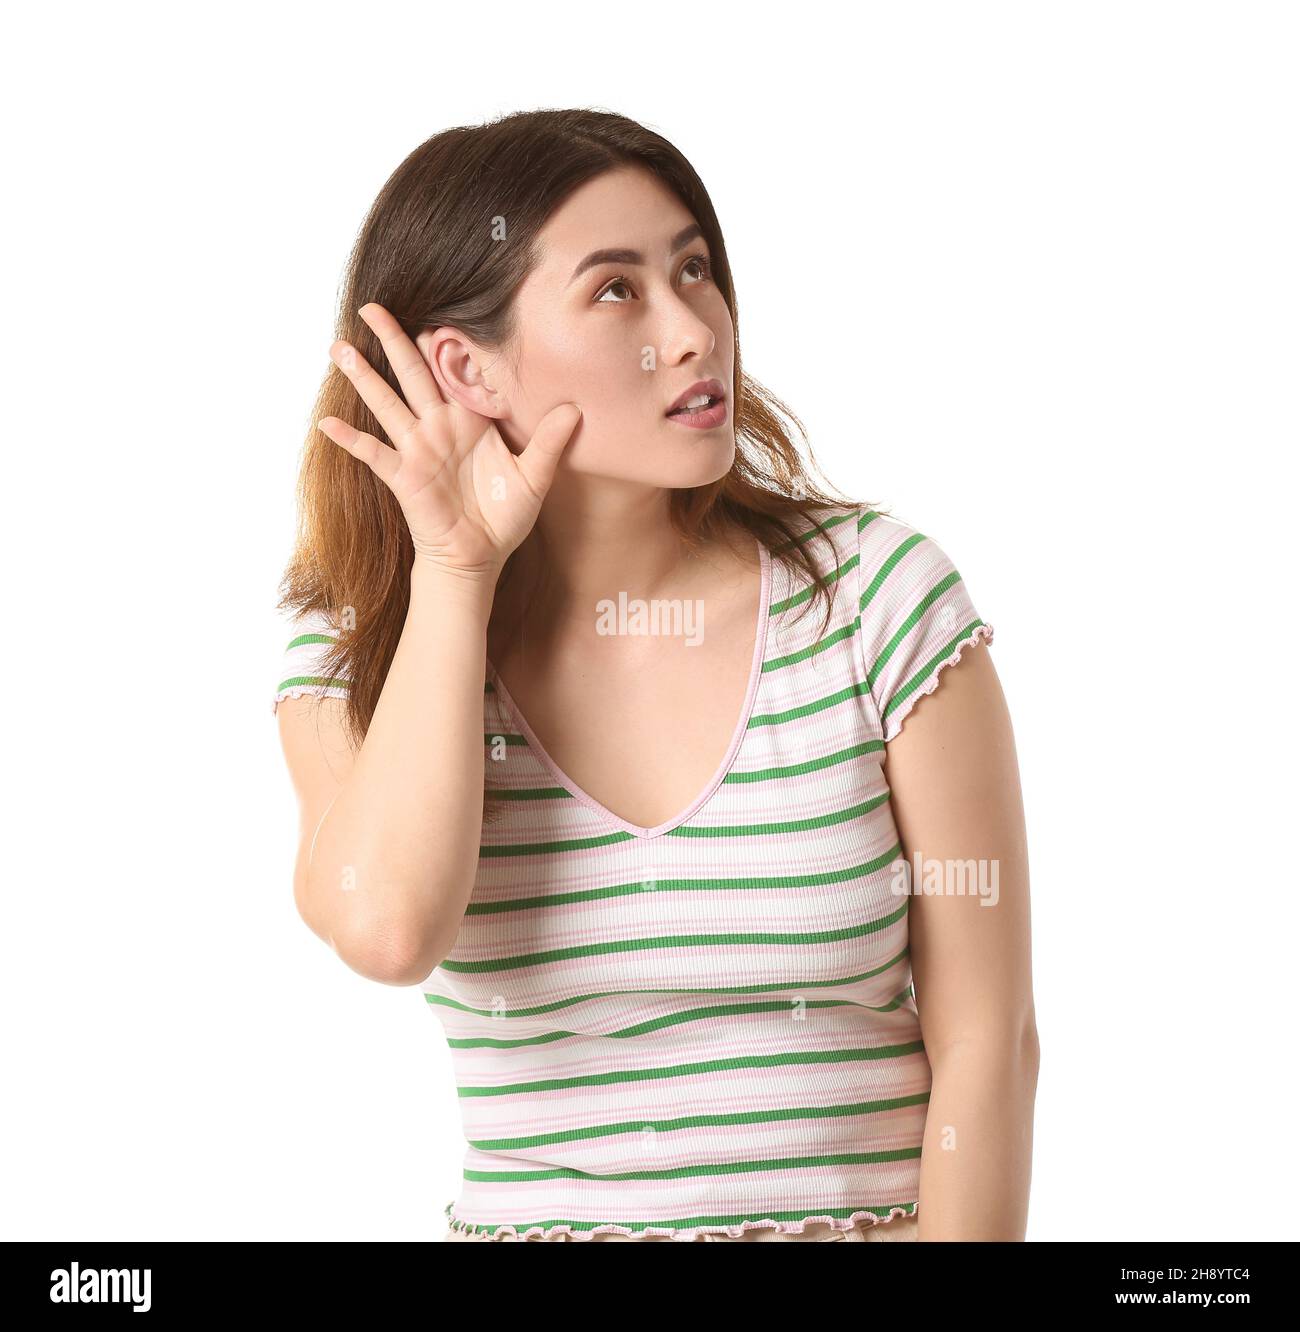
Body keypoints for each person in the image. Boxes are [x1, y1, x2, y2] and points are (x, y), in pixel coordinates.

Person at [273, 108, 1037, 1243]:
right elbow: (385, 930)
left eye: (694, 270)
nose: (693, 332)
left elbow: (988, 1041)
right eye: (616, 290)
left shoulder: (877, 599)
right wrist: (454, 573)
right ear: (462, 367)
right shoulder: (363, 650)